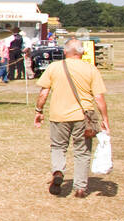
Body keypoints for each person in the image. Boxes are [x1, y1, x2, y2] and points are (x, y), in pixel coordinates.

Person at [34, 38, 109, 198]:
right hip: (84, 117)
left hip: (58, 115)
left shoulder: (54, 67)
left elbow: (43, 93)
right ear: (82, 52)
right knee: (82, 151)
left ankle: (58, 171)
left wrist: (38, 110)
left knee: (58, 147)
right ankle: (80, 188)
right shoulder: (91, 69)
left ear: (65, 51)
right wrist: (105, 119)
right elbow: (99, 97)